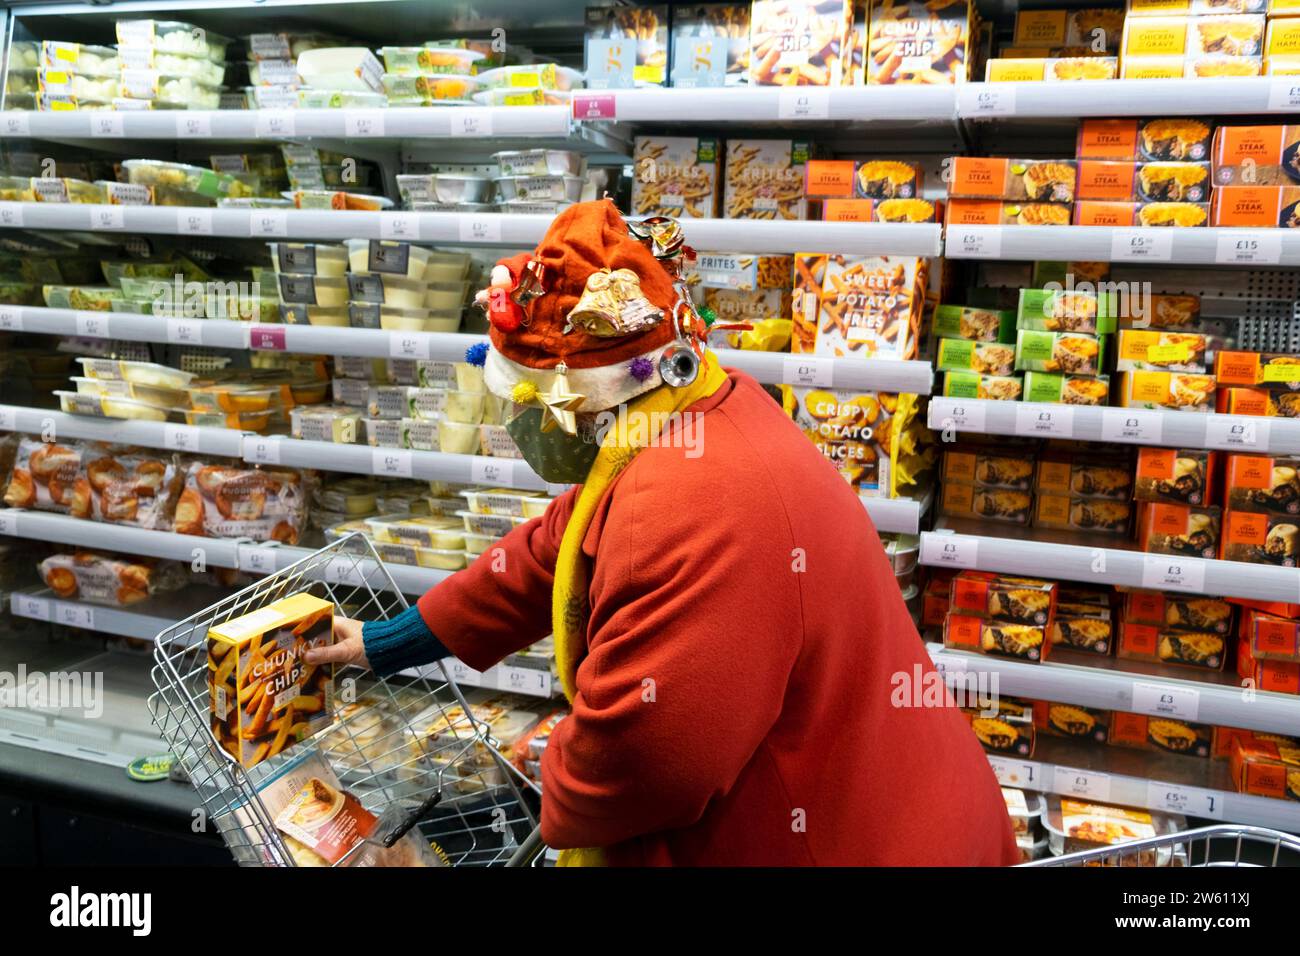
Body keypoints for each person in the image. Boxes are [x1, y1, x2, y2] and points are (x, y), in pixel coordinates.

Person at [305, 199, 1018, 867]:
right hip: (892, 796)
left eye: (522, 401)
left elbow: (651, 763)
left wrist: (542, 761)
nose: (514, 424)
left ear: (583, 398)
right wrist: (385, 642)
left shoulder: (687, 501)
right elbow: (554, 550)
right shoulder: (692, 410)